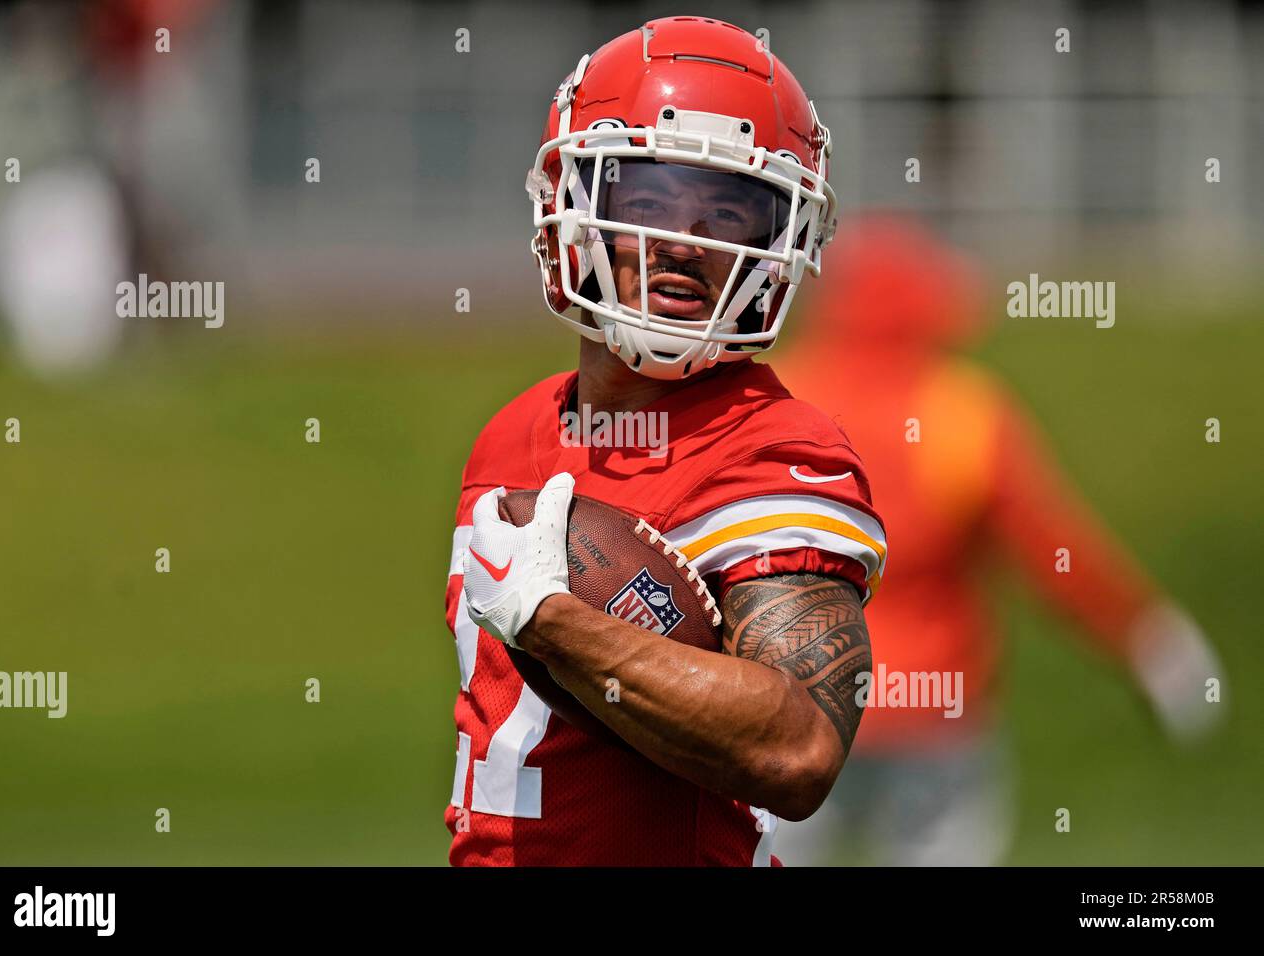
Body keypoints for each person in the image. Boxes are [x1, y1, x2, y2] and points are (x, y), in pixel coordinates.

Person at [442, 17, 887, 866]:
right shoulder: (510, 434)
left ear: (779, 243)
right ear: (571, 207)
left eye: (728, 211)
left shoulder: (773, 452)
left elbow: (799, 753)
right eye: (648, 202)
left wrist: (561, 627)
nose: (686, 242)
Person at [775, 214, 1223, 865]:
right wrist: (1147, 637)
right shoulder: (962, 411)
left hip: (791, 699)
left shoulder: (774, 402)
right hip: (933, 709)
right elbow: (1054, 555)